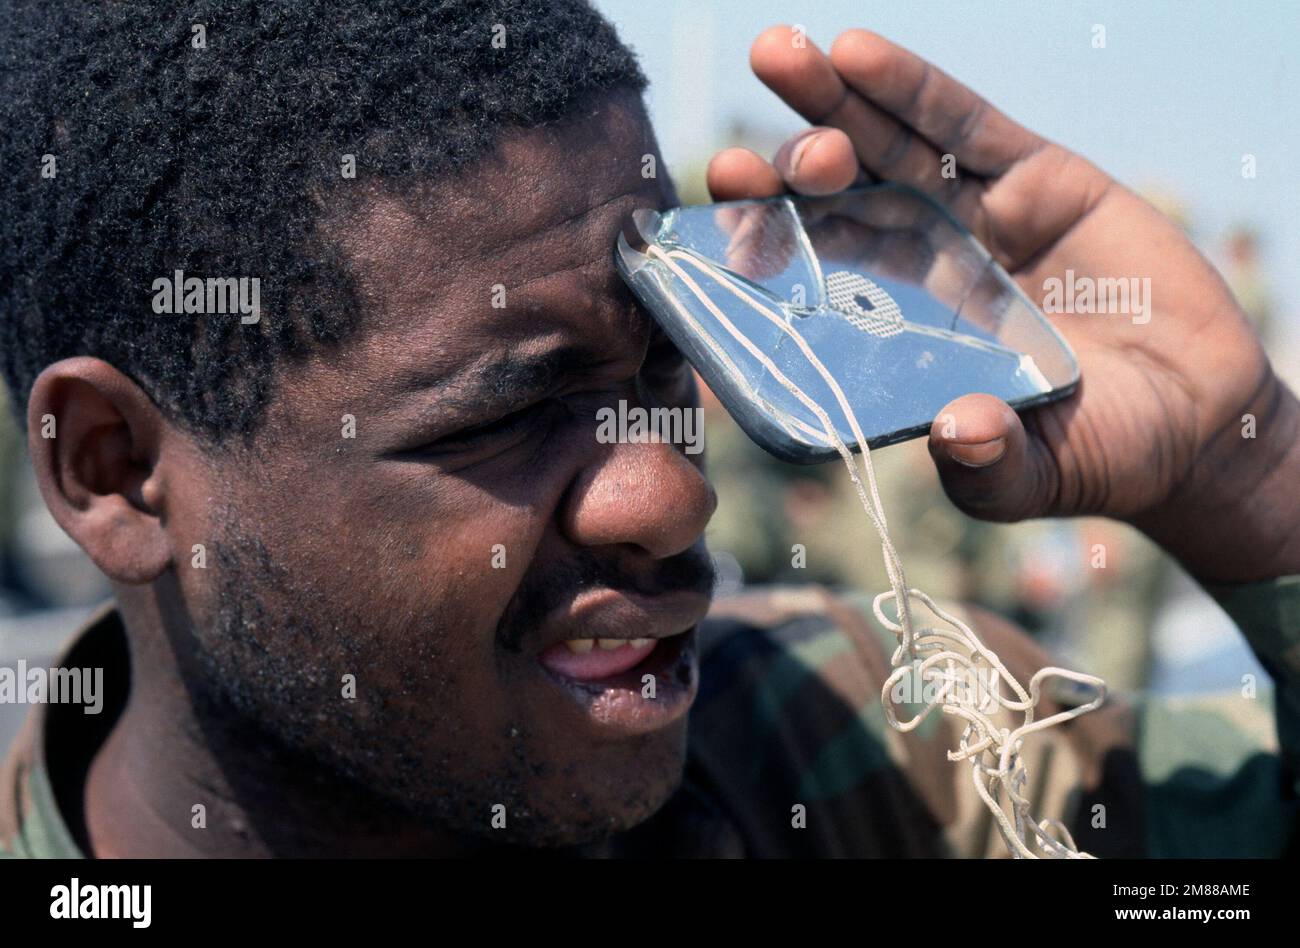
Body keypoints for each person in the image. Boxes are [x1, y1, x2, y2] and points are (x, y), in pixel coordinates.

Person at [0, 1, 1296, 858]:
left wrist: (1254, 483)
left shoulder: (862, 736)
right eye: (509, 414)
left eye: (673, 362)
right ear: (113, 471)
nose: (670, 496)